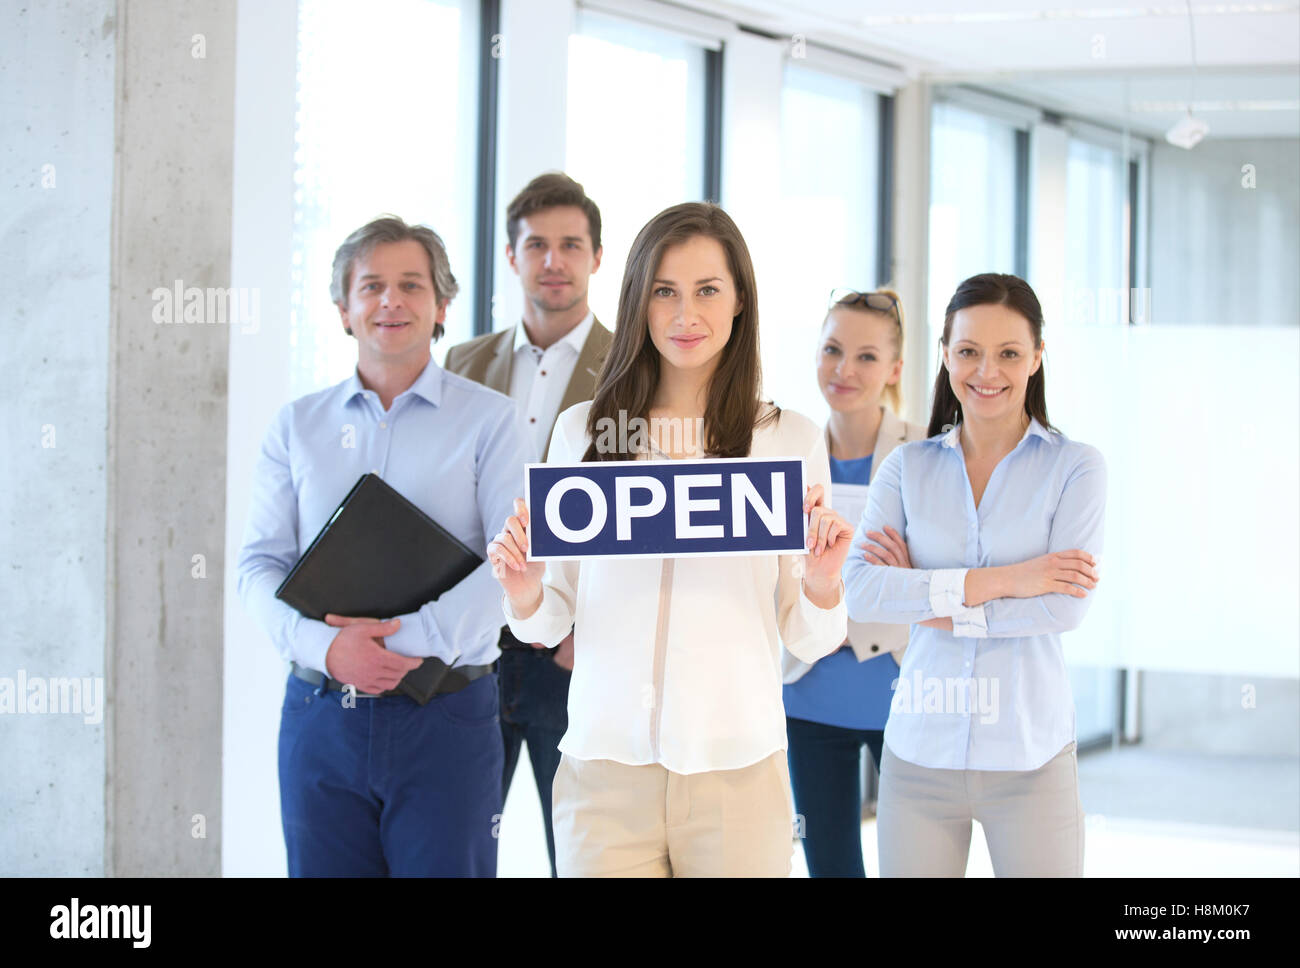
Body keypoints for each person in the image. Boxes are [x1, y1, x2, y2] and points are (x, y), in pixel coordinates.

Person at [486, 202, 852, 877]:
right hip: (603, 775)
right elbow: (549, 622)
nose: (687, 315)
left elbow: (808, 638)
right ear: (638, 303)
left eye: (708, 290)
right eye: (665, 292)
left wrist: (825, 584)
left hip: (738, 774)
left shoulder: (788, 441)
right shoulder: (582, 435)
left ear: (740, 299)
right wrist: (527, 591)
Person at [237, 216, 523, 876]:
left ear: (442, 305)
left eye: (410, 285)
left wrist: (402, 642)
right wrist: (328, 649)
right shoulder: (297, 427)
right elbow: (257, 566)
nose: (390, 301)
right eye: (371, 286)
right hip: (319, 717)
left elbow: (514, 564)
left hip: (448, 716)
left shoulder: (491, 422)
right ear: (343, 308)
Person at [842, 272, 1105, 877]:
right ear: (944, 354)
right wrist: (1014, 577)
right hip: (918, 757)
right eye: (968, 352)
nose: (987, 371)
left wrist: (923, 597)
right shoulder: (907, 467)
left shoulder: (1076, 468)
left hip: (1031, 757)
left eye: (1009, 353)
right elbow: (861, 591)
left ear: (1037, 357)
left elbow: (1063, 608)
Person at [444, 172, 612, 877]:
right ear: (512, 256)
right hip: (474, 643)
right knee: (455, 839)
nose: (553, 260)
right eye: (536, 244)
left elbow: (636, 509)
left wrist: (588, 628)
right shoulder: (463, 362)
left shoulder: (631, 373)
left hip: (567, 647)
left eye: (571, 244)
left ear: (597, 258)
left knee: (573, 845)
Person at [781, 288, 926, 877]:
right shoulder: (788, 453)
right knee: (830, 866)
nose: (844, 370)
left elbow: (936, 574)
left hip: (903, 688)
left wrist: (906, 575)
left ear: (894, 368)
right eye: (832, 350)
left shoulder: (925, 452)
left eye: (866, 356)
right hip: (809, 693)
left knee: (916, 864)